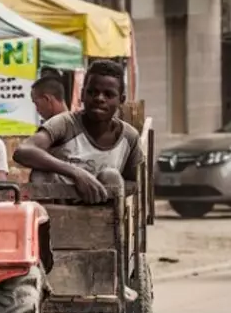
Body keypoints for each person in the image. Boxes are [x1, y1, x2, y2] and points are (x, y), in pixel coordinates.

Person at [13, 59, 142, 204]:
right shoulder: (66, 123)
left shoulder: (129, 137)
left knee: (111, 176)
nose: (99, 98)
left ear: (121, 100)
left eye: (108, 94)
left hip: (103, 218)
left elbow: (134, 183)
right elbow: (22, 151)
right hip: (58, 212)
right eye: (92, 92)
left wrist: (103, 189)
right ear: (82, 95)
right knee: (40, 174)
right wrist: (76, 173)